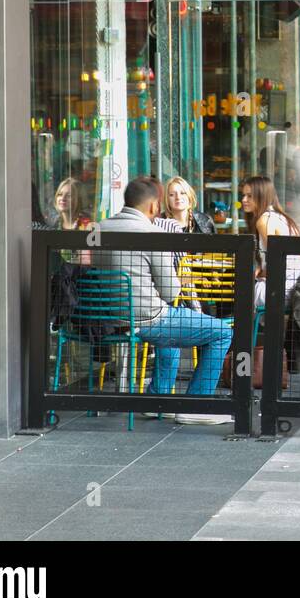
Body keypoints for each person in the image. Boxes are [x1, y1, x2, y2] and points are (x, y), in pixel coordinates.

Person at [92, 176, 233, 424]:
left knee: (173, 327)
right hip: (147, 319)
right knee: (221, 331)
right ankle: (196, 406)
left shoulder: (99, 227)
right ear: (154, 206)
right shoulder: (153, 233)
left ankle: (157, 399)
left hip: (108, 318)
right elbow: (170, 292)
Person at [240, 175, 300, 310]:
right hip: (295, 288)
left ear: (262, 196)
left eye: (250, 196)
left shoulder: (264, 220)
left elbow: (275, 263)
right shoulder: (281, 217)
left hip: (278, 291)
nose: (243, 200)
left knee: (234, 292)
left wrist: (258, 273)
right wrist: (260, 269)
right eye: (243, 195)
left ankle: (234, 330)